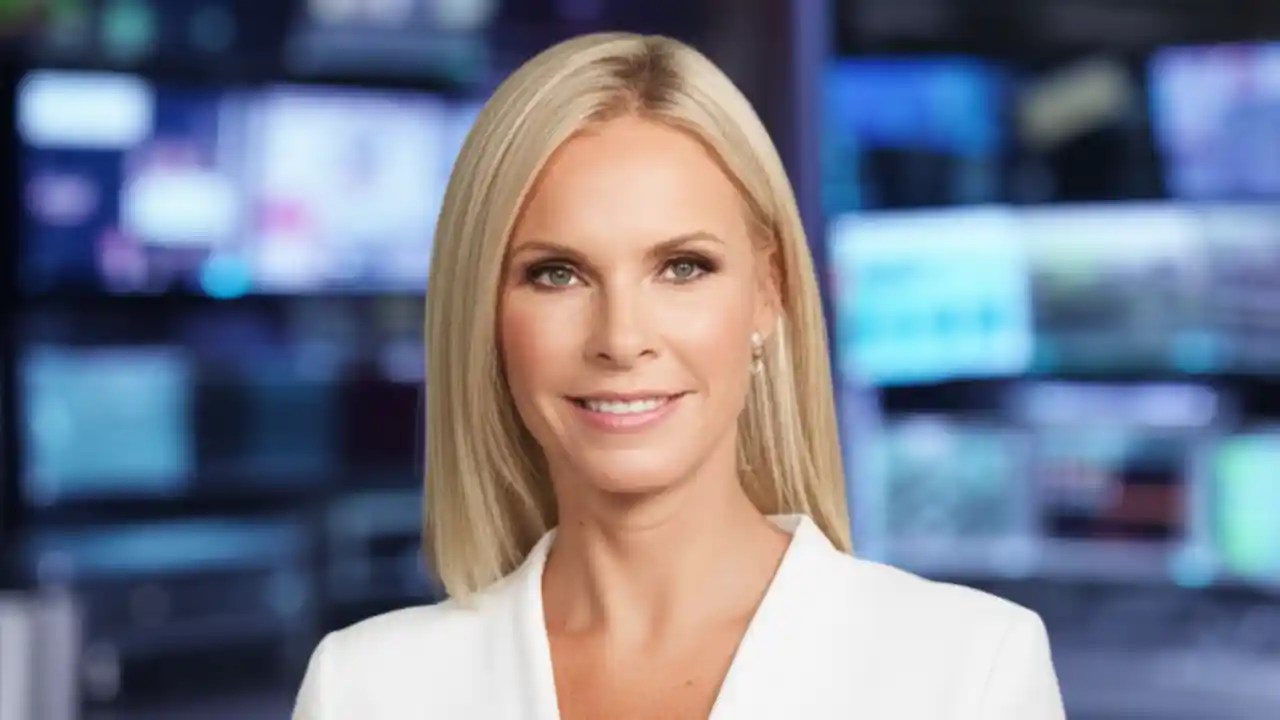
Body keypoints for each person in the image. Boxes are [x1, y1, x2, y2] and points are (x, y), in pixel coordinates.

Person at [292, 32, 1066, 719]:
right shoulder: (368, 690)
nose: (622, 338)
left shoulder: (969, 672)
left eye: (682, 267)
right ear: (485, 318)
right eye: (558, 274)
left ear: (770, 294)